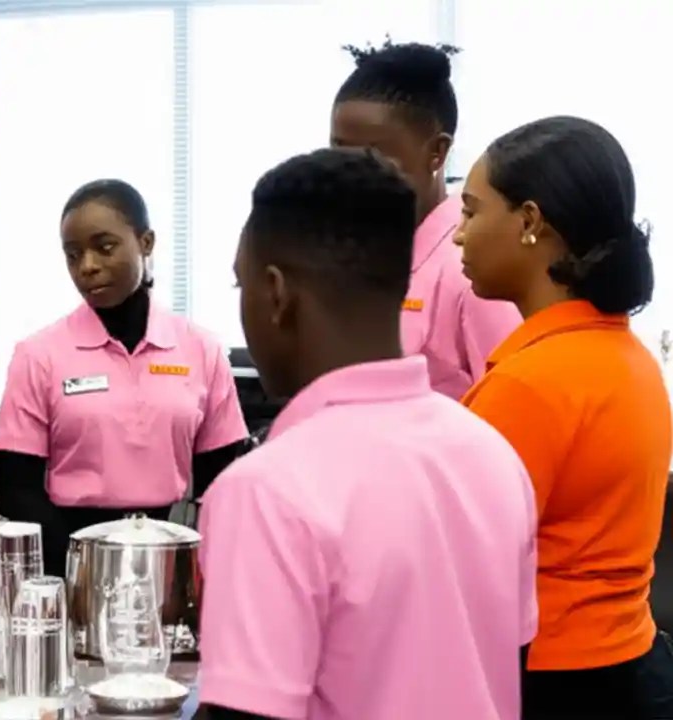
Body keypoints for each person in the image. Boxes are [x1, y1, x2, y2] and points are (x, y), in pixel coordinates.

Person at [197, 148, 536, 720]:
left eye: (242, 287)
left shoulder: (267, 491)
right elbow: (506, 664)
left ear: (276, 294)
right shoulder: (495, 456)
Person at [455, 116, 673, 718]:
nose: (457, 236)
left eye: (472, 213)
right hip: (630, 663)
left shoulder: (531, 382)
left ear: (528, 222)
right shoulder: (629, 357)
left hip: (547, 678)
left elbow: (458, 567)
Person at [0, 179, 247, 578]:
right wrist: (82, 572)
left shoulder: (200, 348)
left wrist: (200, 570)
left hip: (171, 555)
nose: (87, 266)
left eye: (104, 247)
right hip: (72, 556)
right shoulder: (38, 355)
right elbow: (17, 491)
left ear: (145, 242)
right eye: (73, 255)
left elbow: (223, 484)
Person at [330, 39, 520, 398]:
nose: (350, 173)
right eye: (340, 151)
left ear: (437, 152)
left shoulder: (472, 267)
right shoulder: (361, 257)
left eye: (375, 156)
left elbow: (510, 416)